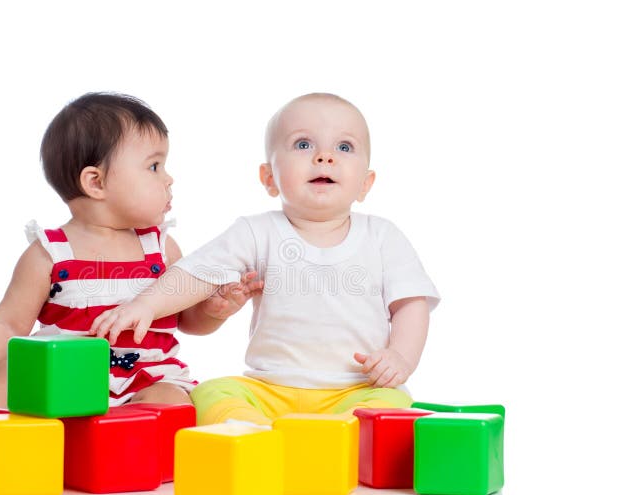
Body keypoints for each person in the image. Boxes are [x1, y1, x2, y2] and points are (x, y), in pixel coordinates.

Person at [0, 92, 261, 468]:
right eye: (154, 167)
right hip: (66, 376)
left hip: (146, 376)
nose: (169, 178)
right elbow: (7, 322)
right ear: (96, 182)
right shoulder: (51, 253)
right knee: (8, 374)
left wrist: (214, 310)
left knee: (173, 404)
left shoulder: (160, 248)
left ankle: (132, 459)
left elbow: (188, 321)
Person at [90, 93, 440, 426]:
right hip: (270, 391)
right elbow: (197, 272)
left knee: (393, 403)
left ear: (365, 183)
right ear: (269, 178)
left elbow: (410, 303)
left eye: (344, 147)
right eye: (303, 144)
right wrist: (147, 305)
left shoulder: (382, 237)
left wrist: (401, 357)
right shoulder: (256, 232)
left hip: (356, 391)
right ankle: (268, 438)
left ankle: (320, 438)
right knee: (211, 394)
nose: (324, 157)